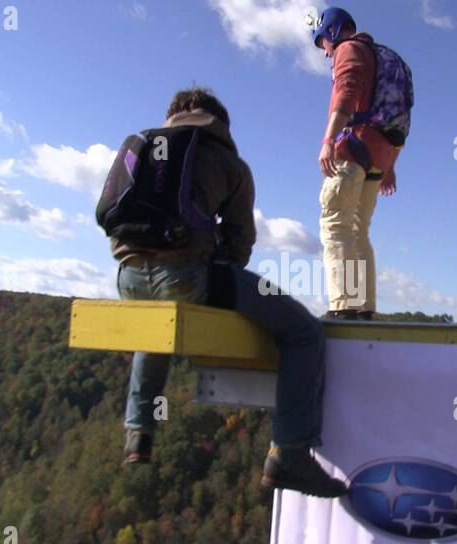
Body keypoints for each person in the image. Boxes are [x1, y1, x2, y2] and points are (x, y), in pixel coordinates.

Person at [98, 87, 347, 498]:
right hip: (188, 276)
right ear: (219, 122)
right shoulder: (228, 160)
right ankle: (289, 453)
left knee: (155, 319)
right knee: (303, 332)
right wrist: (221, 268)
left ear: (173, 116)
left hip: (127, 277)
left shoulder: (142, 146)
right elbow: (240, 240)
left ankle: (138, 431)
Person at [312, 7, 412, 320]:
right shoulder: (389, 59)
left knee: (336, 226)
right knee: (359, 231)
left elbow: (346, 91)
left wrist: (328, 141)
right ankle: (364, 307)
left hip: (353, 149)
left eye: (323, 43)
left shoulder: (348, 49)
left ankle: (344, 307)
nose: (326, 53)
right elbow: (403, 118)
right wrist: (391, 164)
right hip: (381, 155)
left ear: (332, 30)